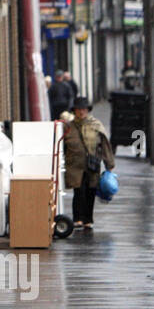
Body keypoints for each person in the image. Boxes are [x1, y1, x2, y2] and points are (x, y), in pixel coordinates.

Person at [63, 96, 115, 231]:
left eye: (84, 109)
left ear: (88, 110)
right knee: (78, 190)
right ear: (74, 111)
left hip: (92, 163)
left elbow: (104, 144)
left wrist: (109, 163)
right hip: (75, 164)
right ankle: (77, 218)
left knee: (91, 191)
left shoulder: (95, 125)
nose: (81, 112)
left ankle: (88, 219)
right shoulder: (68, 127)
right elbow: (61, 146)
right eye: (78, 109)